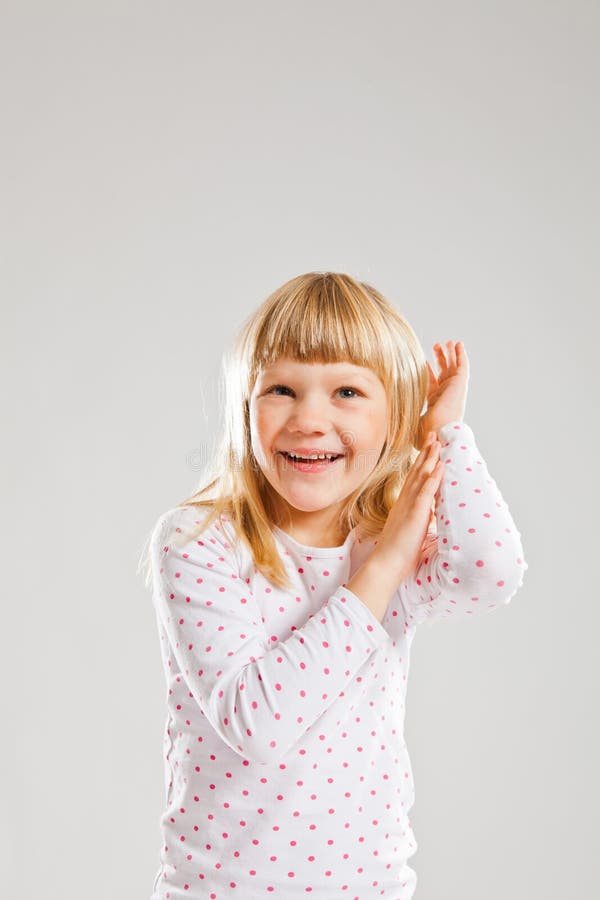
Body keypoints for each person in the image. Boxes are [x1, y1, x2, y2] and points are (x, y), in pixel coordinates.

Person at [140, 271, 528, 900]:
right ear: (246, 406)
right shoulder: (199, 540)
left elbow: (491, 572)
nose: (309, 419)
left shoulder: (385, 537)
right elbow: (259, 723)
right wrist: (382, 569)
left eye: (347, 391)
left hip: (369, 887)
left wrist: (444, 440)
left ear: (394, 417)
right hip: (222, 888)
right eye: (282, 390)